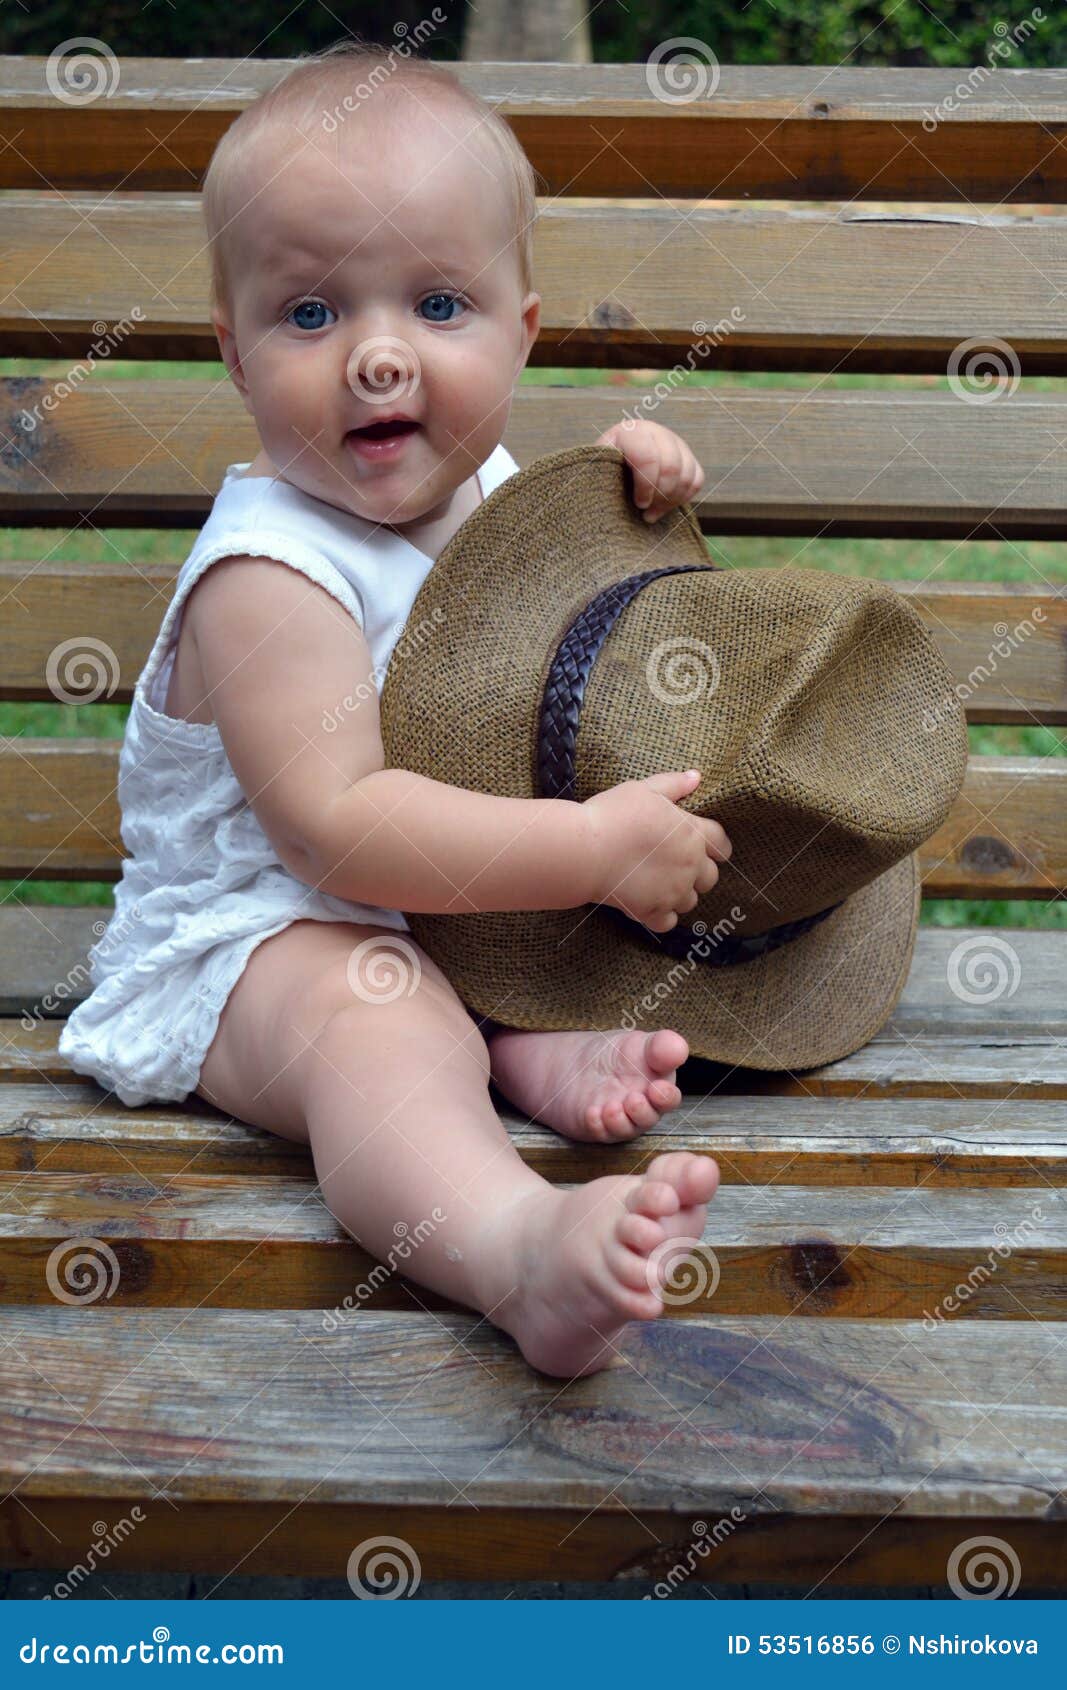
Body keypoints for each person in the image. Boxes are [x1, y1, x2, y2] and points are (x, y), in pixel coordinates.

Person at [59, 40, 730, 1378]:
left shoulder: (490, 492)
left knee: (483, 965)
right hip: (260, 942)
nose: (376, 357)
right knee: (384, 1018)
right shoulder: (269, 576)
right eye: (311, 315)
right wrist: (594, 852)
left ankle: (520, 1040)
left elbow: (580, 632)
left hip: (448, 911)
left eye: (436, 305)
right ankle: (514, 1248)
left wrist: (620, 489)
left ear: (519, 333)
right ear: (236, 353)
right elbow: (343, 832)